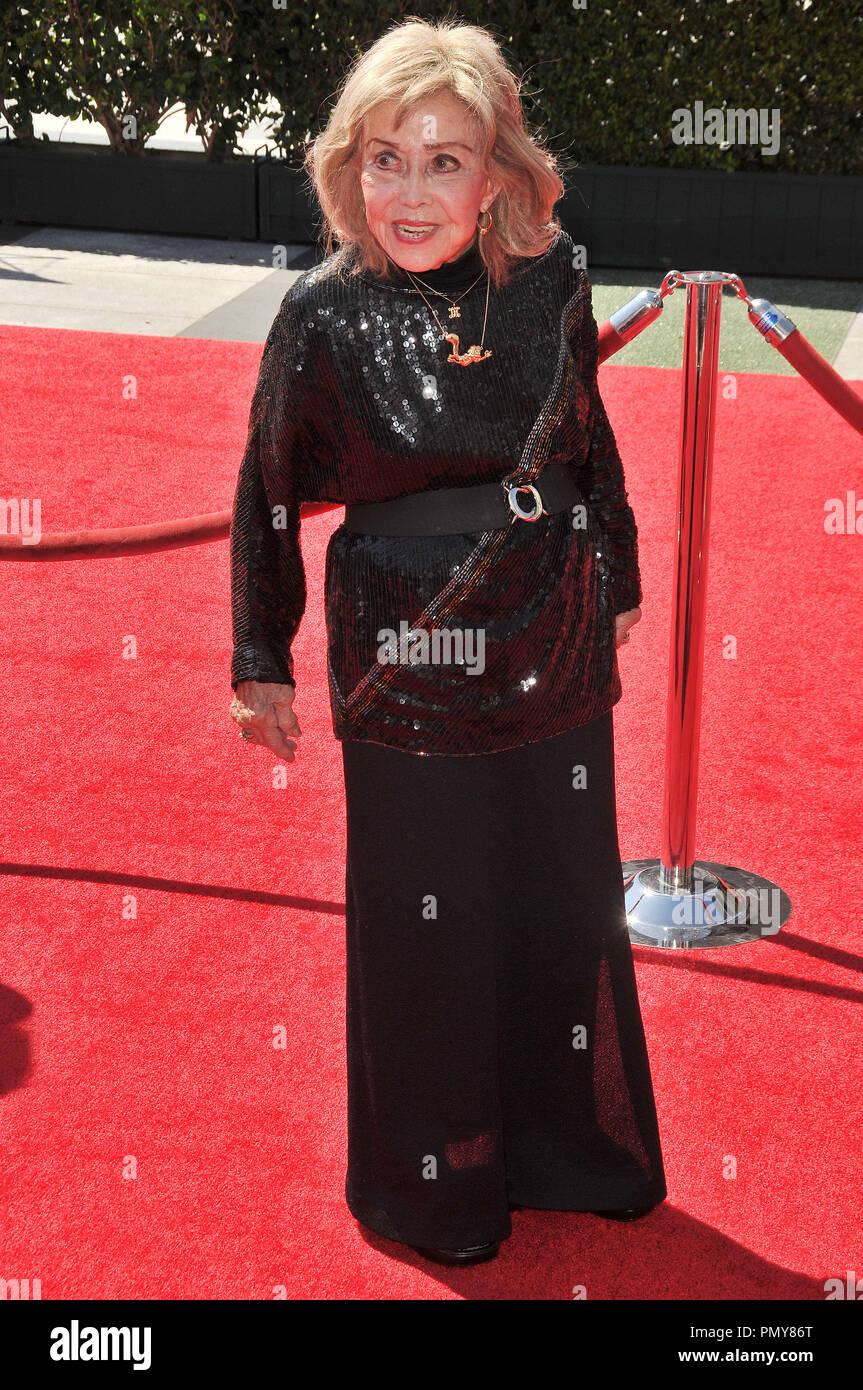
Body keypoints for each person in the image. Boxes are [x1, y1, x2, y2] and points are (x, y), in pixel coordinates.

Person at [228, 16, 667, 1267]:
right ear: (345, 168)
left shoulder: (553, 280)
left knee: (558, 900)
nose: (409, 191)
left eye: (442, 160)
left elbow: (589, 441)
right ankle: (444, 1185)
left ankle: (572, 1150)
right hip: (405, 648)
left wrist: (619, 573)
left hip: (554, 624)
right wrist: (259, 654)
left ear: (497, 173)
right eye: (383, 159)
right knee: (428, 922)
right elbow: (266, 487)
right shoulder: (321, 314)